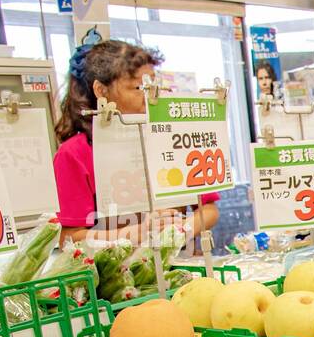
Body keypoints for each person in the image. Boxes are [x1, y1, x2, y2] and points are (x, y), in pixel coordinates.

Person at [54, 40, 219, 246]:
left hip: (178, 265)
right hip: (114, 274)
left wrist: (178, 232)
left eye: (154, 86)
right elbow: (68, 236)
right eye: (139, 87)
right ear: (101, 90)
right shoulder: (75, 154)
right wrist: (136, 233)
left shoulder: (170, 138)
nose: (149, 96)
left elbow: (209, 209)